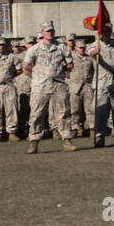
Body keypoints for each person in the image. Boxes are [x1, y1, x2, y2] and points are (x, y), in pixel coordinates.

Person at [23, 21, 77, 153]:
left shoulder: (62, 47)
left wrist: (61, 71)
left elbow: (70, 64)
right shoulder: (34, 49)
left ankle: (67, 140)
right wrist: (37, 76)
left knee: (63, 112)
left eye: (51, 30)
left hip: (58, 84)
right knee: (37, 113)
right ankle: (34, 142)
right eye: (47, 31)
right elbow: (26, 66)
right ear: (42, 33)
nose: (50, 33)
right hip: (40, 86)